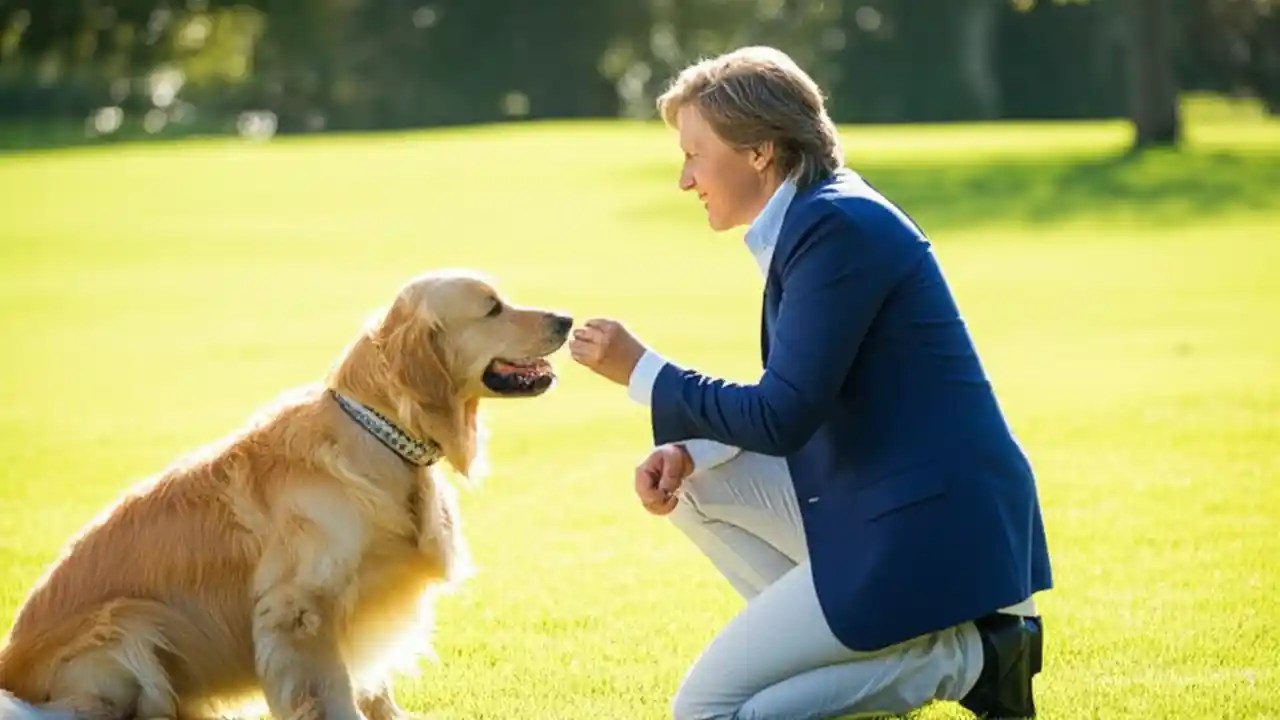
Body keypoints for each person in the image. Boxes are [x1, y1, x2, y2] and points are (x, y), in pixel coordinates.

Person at [569, 46, 1051, 720]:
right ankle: (904, 650)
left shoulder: (836, 227)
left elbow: (783, 415)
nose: (684, 179)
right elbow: (801, 400)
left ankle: (966, 661)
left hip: (929, 529)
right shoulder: (817, 219)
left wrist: (641, 370)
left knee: (705, 712)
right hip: (891, 504)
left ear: (759, 151)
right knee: (691, 481)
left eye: (695, 154)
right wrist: (692, 449)